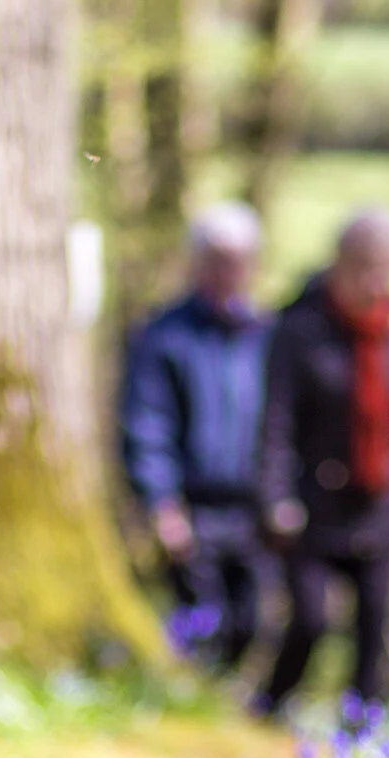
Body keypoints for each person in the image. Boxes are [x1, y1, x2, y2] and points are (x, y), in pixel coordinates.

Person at [255, 208, 389, 716]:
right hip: (311, 506)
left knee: (373, 633)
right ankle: (268, 707)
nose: (371, 281)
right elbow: (275, 424)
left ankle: (360, 737)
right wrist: (274, 498)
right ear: (337, 263)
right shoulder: (299, 330)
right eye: (362, 266)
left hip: (378, 508)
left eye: (383, 268)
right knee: (311, 620)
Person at [118, 202, 273, 671]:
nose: (228, 272)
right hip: (191, 506)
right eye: (217, 260)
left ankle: (224, 697)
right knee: (202, 624)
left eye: (239, 261)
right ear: (196, 263)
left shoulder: (267, 336)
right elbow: (146, 423)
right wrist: (162, 503)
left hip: (252, 508)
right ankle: (190, 695)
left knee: (250, 623)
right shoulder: (165, 336)